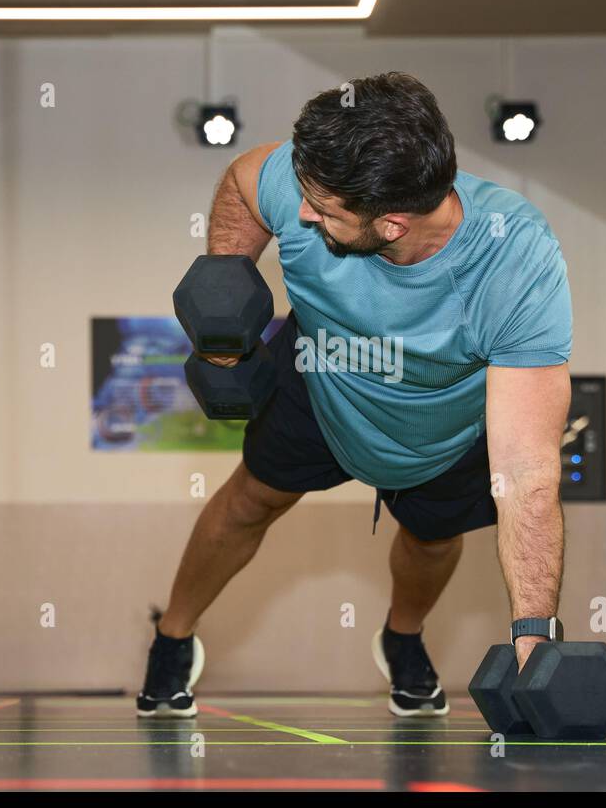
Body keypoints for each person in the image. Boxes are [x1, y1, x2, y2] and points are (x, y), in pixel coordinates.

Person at [137, 72, 573, 718]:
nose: (304, 213)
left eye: (324, 210)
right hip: (321, 375)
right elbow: (244, 180)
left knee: (431, 537)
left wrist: (535, 641)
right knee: (247, 501)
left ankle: (402, 639)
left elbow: (528, 472)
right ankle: (172, 637)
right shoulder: (306, 180)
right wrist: (223, 296)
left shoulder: (515, 264)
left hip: (444, 418)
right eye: (305, 196)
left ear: (392, 224)